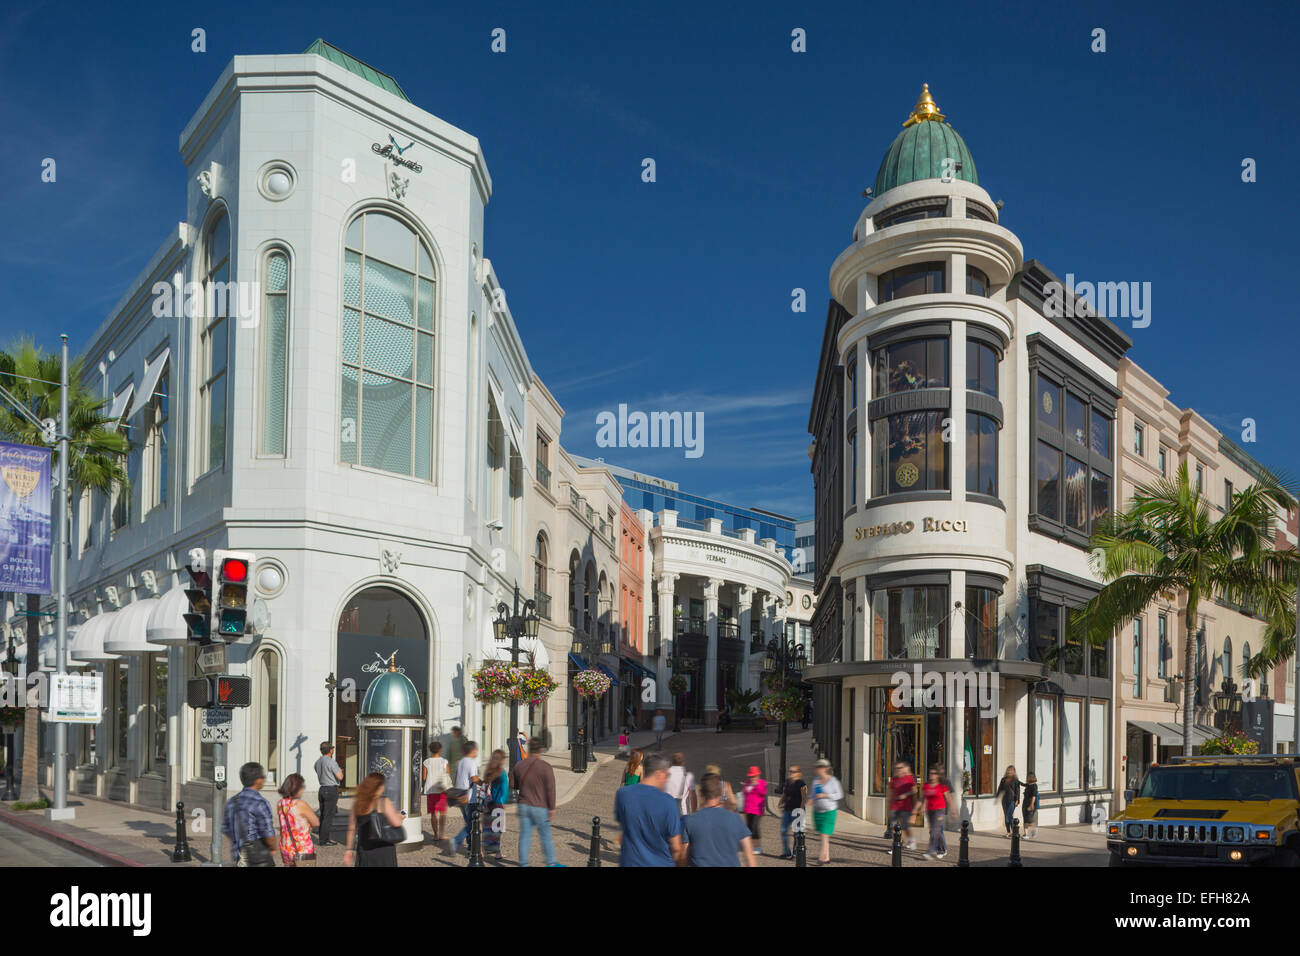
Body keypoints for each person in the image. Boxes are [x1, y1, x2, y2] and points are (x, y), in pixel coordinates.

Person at [614, 752, 685, 866]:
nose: (667, 779)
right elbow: (676, 846)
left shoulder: (622, 794)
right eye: (667, 775)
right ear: (659, 774)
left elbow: (625, 826)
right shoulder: (668, 802)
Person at [510, 737, 564, 867]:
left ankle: (523, 864)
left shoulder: (519, 765)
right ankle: (550, 862)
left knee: (524, 836)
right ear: (540, 750)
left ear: (529, 749)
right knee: (545, 836)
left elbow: (512, 784)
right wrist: (552, 808)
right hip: (540, 806)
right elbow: (551, 789)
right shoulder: (545, 767)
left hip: (523, 805)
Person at [685, 773, 755, 867]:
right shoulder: (735, 819)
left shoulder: (690, 821)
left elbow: (683, 855)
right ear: (721, 793)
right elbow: (749, 855)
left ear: (701, 793)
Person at [344, 772, 405, 867]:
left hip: (364, 848)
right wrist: (400, 816)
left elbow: (351, 828)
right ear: (380, 787)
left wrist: (349, 850)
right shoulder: (383, 802)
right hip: (382, 848)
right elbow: (396, 823)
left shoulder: (357, 804)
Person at [224, 762, 277, 866]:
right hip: (256, 855)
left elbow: (226, 828)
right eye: (263, 776)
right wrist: (273, 848)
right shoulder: (260, 802)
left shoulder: (232, 801)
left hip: (239, 855)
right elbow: (268, 833)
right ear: (258, 780)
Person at [276, 772, 319, 866]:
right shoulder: (300, 804)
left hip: (286, 847)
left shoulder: (281, 803)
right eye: (302, 786)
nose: (303, 789)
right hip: (302, 847)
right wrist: (309, 826)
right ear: (296, 787)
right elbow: (316, 822)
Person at [449, 740, 481, 855]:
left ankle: (470, 847)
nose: (477, 751)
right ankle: (456, 840)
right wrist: (485, 783)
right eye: (476, 749)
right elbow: (475, 779)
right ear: (472, 751)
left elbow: (456, 779)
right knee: (471, 824)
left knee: (468, 822)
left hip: (460, 795)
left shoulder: (460, 762)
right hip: (469, 797)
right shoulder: (471, 763)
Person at [810, 758, 843, 864]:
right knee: (823, 836)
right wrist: (810, 800)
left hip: (829, 812)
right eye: (818, 767)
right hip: (817, 812)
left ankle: (821, 858)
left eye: (821, 767)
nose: (819, 769)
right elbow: (813, 794)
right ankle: (827, 857)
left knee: (824, 835)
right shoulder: (816, 781)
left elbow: (839, 795)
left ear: (826, 768)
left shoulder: (833, 781)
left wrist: (825, 795)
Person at [481, 748, 509, 861]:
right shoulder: (501, 772)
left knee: (488, 828)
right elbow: (505, 789)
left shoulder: (489, 771)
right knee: (498, 829)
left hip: (488, 802)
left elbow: (485, 786)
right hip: (498, 803)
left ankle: (483, 850)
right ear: (501, 760)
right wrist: (504, 802)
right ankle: (497, 852)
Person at [313, 741, 343, 846]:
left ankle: (323, 838)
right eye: (332, 749)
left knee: (323, 815)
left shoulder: (318, 762)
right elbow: (340, 777)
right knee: (328, 816)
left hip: (322, 789)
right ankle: (324, 840)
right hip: (331, 789)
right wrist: (341, 771)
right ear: (330, 750)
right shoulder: (331, 762)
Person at [921, 765, 953, 860]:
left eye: (934, 773)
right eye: (930, 773)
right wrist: (923, 807)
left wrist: (952, 811)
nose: (932, 775)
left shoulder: (944, 783)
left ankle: (935, 850)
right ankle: (939, 848)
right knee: (934, 831)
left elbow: (949, 797)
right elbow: (925, 797)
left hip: (940, 810)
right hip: (930, 810)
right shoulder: (927, 785)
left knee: (936, 830)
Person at [421, 741, 450, 842]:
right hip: (441, 790)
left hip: (430, 790)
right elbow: (447, 774)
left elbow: (424, 777)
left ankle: (436, 834)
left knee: (433, 814)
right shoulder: (444, 761)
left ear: (430, 750)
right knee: (442, 813)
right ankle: (441, 834)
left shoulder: (426, 762)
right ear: (441, 750)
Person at [778, 764, 808, 860]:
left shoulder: (802, 784)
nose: (790, 773)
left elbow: (804, 799)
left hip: (797, 811)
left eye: (793, 771)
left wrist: (800, 810)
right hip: (787, 809)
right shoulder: (787, 782)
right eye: (790, 771)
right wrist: (780, 802)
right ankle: (786, 852)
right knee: (783, 831)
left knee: (796, 834)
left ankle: (795, 854)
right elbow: (784, 794)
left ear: (798, 773)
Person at [887, 761, 918, 850]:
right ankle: (896, 846)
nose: (898, 770)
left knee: (905, 827)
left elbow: (915, 790)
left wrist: (905, 795)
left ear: (904, 769)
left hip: (905, 807)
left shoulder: (909, 778)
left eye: (900, 768)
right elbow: (891, 793)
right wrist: (889, 806)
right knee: (894, 828)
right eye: (897, 768)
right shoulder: (894, 779)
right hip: (894, 807)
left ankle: (911, 840)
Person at [741, 766, 767, 855]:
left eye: (753, 776)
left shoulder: (762, 783)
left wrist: (756, 785)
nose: (751, 778)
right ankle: (750, 846)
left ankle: (758, 846)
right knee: (749, 828)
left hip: (758, 810)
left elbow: (763, 792)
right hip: (748, 809)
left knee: (755, 827)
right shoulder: (747, 783)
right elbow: (744, 792)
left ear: (757, 775)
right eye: (750, 776)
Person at [665, 752, 697, 824]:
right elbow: (693, 796)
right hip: (684, 812)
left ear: (671, 761)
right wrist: (694, 812)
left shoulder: (665, 774)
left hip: (668, 813)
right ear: (683, 762)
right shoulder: (689, 776)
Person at [995, 766, 1022, 838]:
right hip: (1004, 800)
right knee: (1008, 817)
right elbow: (1000, 789)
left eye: (1010, 771)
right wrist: (997, 797)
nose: (1009, 772)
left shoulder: (1016, 780)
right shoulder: (1003, 780)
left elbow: (1017, 791)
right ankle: (1009, 832)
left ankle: (1012, 832)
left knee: (1008, 817)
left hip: (1012, 801)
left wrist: (1017, 800)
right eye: (1008, 771)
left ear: (1013, 772)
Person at [1022, 772, 1039, 839]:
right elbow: (1023, 784)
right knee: (1025, 819)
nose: (1027, 778)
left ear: (1031, 777)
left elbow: (1034, 796)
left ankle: (1034, 829)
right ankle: (1026, 834)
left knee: (1029, 819)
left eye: (1028, 777)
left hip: (1030, 804)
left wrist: (1031, 804)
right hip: (1025, 804)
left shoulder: (1034, 786)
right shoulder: (1028, 785)